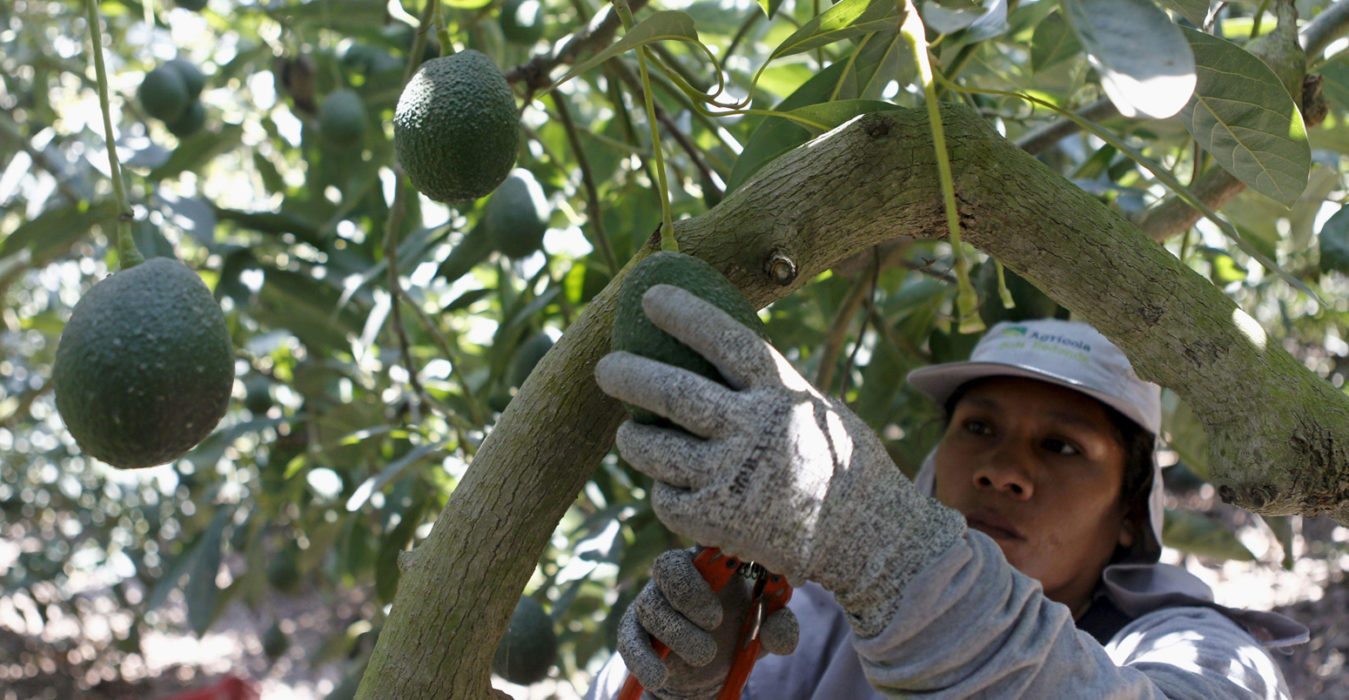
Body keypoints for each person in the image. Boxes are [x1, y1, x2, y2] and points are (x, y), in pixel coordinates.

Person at [585, 284, 1308, 699]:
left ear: (1128, 512)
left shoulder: (1191, 645)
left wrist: (886, 551)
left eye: (1061, 447)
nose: (1002, 471)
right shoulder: (818, 617)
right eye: (978, 428)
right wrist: (698, 689)